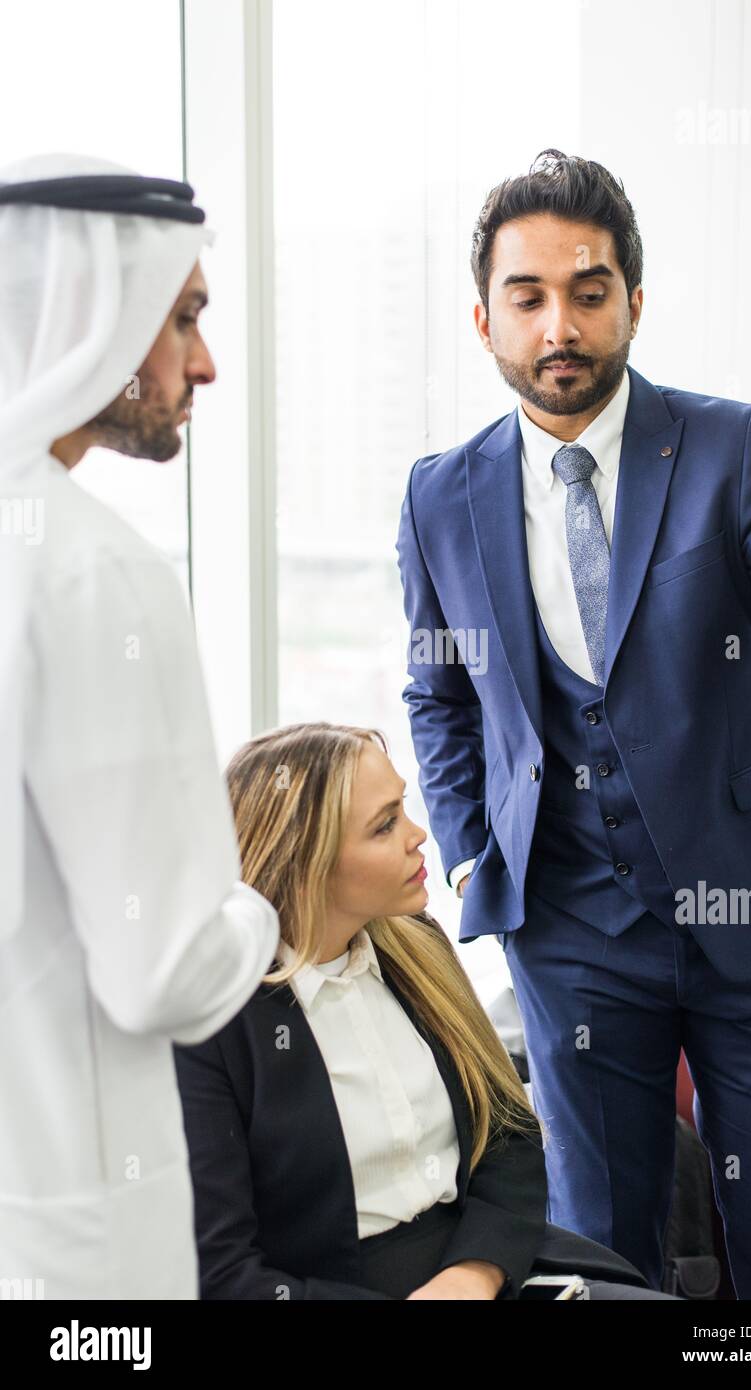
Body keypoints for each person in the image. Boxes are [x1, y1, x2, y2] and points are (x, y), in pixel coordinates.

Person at [395, 148, 751, 1299]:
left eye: (591, 291)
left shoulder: (735, 443)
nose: (562, 324)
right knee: (597, 1251)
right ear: (484, 317)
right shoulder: (438, 493)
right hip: (572, 927)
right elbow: (437, 689)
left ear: (634, 303)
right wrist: (472, 850)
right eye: (530, 296)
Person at [0, 153, 279, 1299]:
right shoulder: (95, 571)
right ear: (88, 313)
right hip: (78, 1240)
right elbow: (164, 971)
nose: (203, 364)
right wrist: (261, 905)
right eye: (183, 320)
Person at [173, 722, 679, 1300]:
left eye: (404, 810)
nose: (419, 836)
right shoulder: (213, 1026)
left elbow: (509, 1138)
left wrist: (475, 1273)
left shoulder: (416, 946)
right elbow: (223, 1275)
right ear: (307, 861)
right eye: (385, 825)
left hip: (492, 1266)